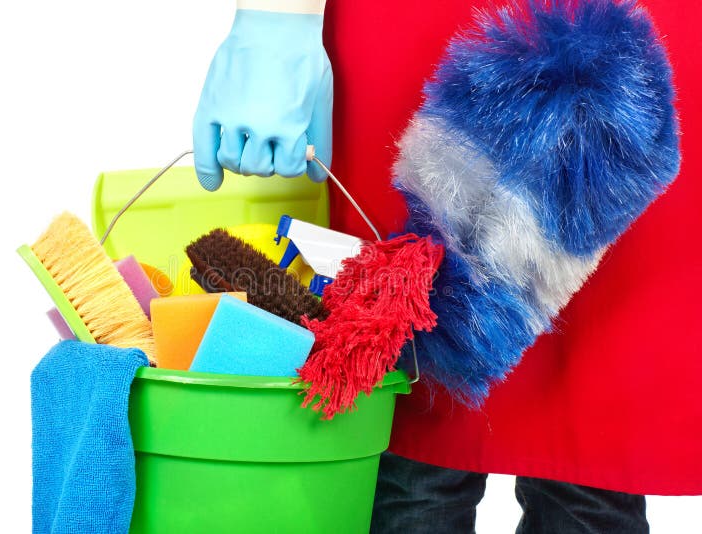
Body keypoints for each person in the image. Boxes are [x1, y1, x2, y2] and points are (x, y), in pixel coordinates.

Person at [193, 1, 702, 532]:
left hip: (625, 67)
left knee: (593, 450)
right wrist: (274, 21)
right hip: (431, 33)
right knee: (412, 412)